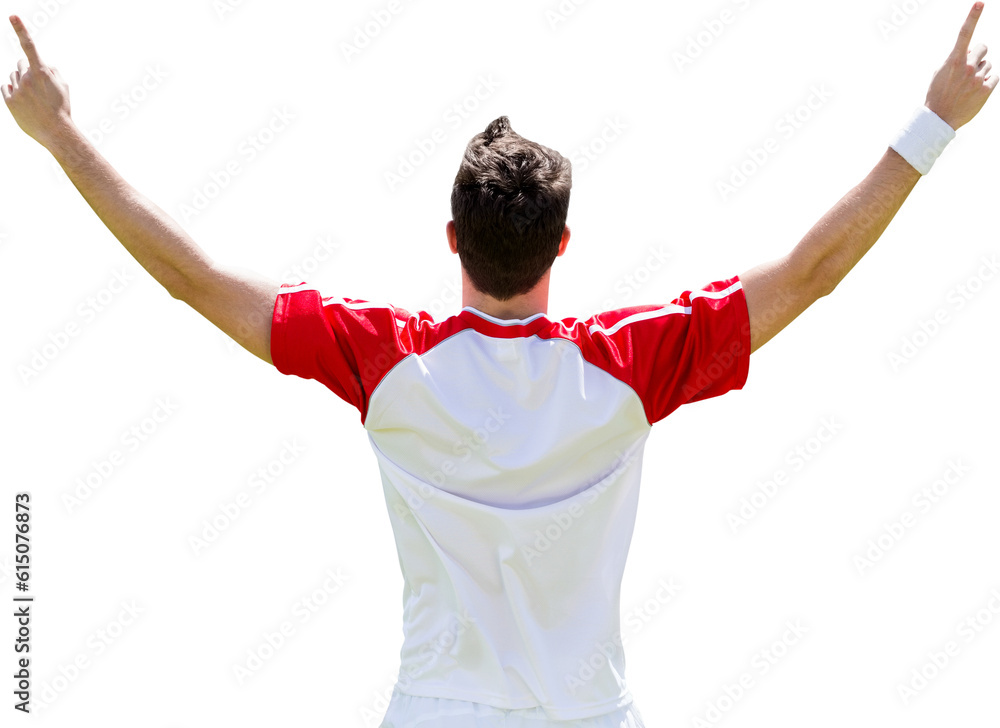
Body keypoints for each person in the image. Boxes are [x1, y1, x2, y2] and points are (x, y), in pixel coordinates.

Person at [3, 5, 995, 726]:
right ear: (563, 246)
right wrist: (934, 120)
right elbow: (813, 272)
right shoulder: (631, 364)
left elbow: (194, 277)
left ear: (450, 237)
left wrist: (58, 135)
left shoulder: (385, 360)